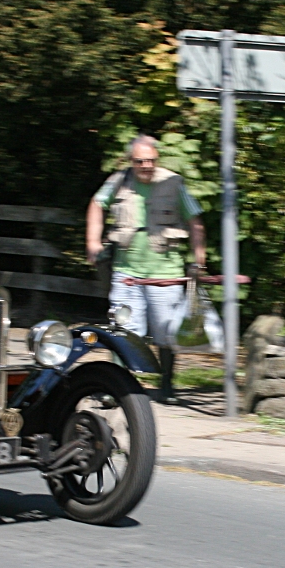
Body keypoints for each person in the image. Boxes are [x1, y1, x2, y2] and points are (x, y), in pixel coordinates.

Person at [85, 135, 207, 401]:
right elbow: (96, 204)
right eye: (140, 161)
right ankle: (114, 389)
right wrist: (93, 243)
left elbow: (195, 219)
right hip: (126, 273)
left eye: (151, 160)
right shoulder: (118, 181)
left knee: (166, 331)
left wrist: (199, 257)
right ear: (131, 161)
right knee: (123, 331)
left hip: (166, 275)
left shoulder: (174, 182)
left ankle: (167, 385)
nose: (146, 166)